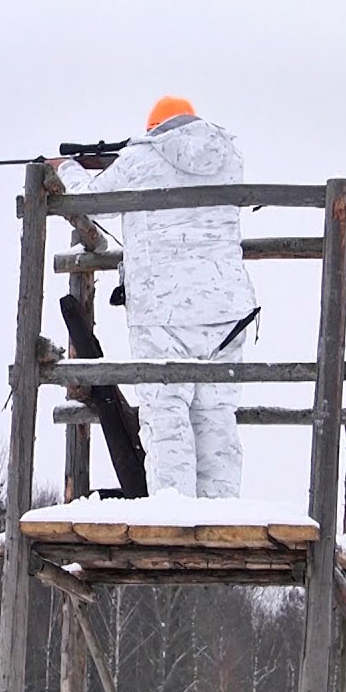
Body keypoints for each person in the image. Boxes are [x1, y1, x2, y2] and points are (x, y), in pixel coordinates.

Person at [49, 96, 258, 499]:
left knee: (168, 417)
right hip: (227, 312)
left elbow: (92, 203)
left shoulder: (140, 157)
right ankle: (220, 515)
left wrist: (69, 169)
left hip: (163, 311)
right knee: (216, 417)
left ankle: (174, 513)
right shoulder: (228, 155)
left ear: (153, 128)